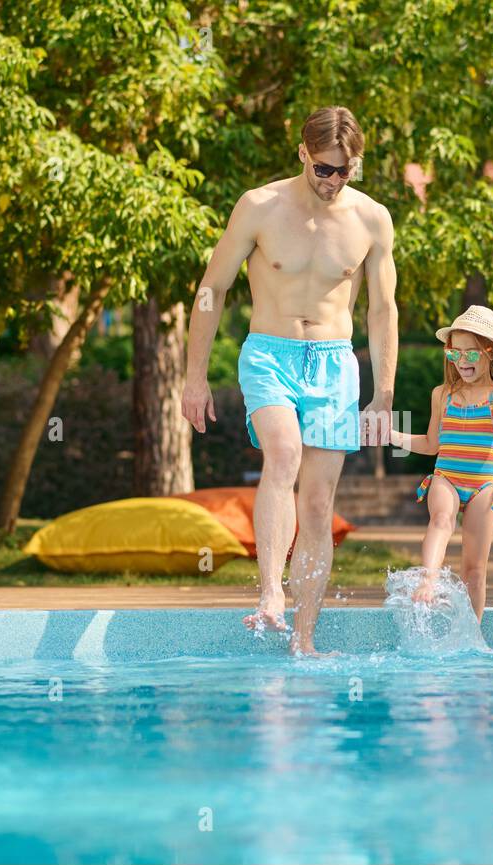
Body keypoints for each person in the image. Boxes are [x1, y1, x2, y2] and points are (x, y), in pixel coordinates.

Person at [182, 106, 397, 655]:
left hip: (334, 361)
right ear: (303, 153)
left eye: (344, 171)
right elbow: (212, 290)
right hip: (269, 355)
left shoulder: (371, 219)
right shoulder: (259, 207)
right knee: (282, 456)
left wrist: (384, 396)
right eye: (323, 168)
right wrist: (194, 378)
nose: (332, 181)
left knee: (320, 504)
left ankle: (303, 640)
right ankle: (272, 593)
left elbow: (383, 312)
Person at [390, 305, 493, 622]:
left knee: (475, 571)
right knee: (441, 519)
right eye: (455, 354)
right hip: (446, 478)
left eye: (471, 353)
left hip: (481, 487)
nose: (462, 361)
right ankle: (429, 580)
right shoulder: (443, 394)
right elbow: (432, 444)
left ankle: (473, 638)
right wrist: (393, 436)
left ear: (491, 353)